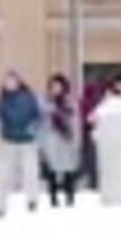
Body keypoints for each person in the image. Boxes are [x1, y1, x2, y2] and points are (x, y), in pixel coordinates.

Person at [0, 70, 43, 217]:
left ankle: (32, 199)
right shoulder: (2, 100)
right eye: (7, 81)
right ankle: (1, 206)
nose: (9, 84)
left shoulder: (28, 97)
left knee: (30, 172)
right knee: (4, 175)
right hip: (9, 140)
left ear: (18, 82)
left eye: (12, 81)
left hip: (27, 140)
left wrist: (33, 127)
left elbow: (38, 115)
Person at [39, 75, 83, 207]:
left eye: (58, 86)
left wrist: (75, 136)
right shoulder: (45, 102)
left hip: (67, 137)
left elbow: (75, 120)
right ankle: (53, 199)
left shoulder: (69, 102)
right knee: (52, 167)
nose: (56, 89)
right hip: (51, 137)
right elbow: (41, 121)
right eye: (53, 86)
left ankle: (70, 197)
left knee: (68, 167)